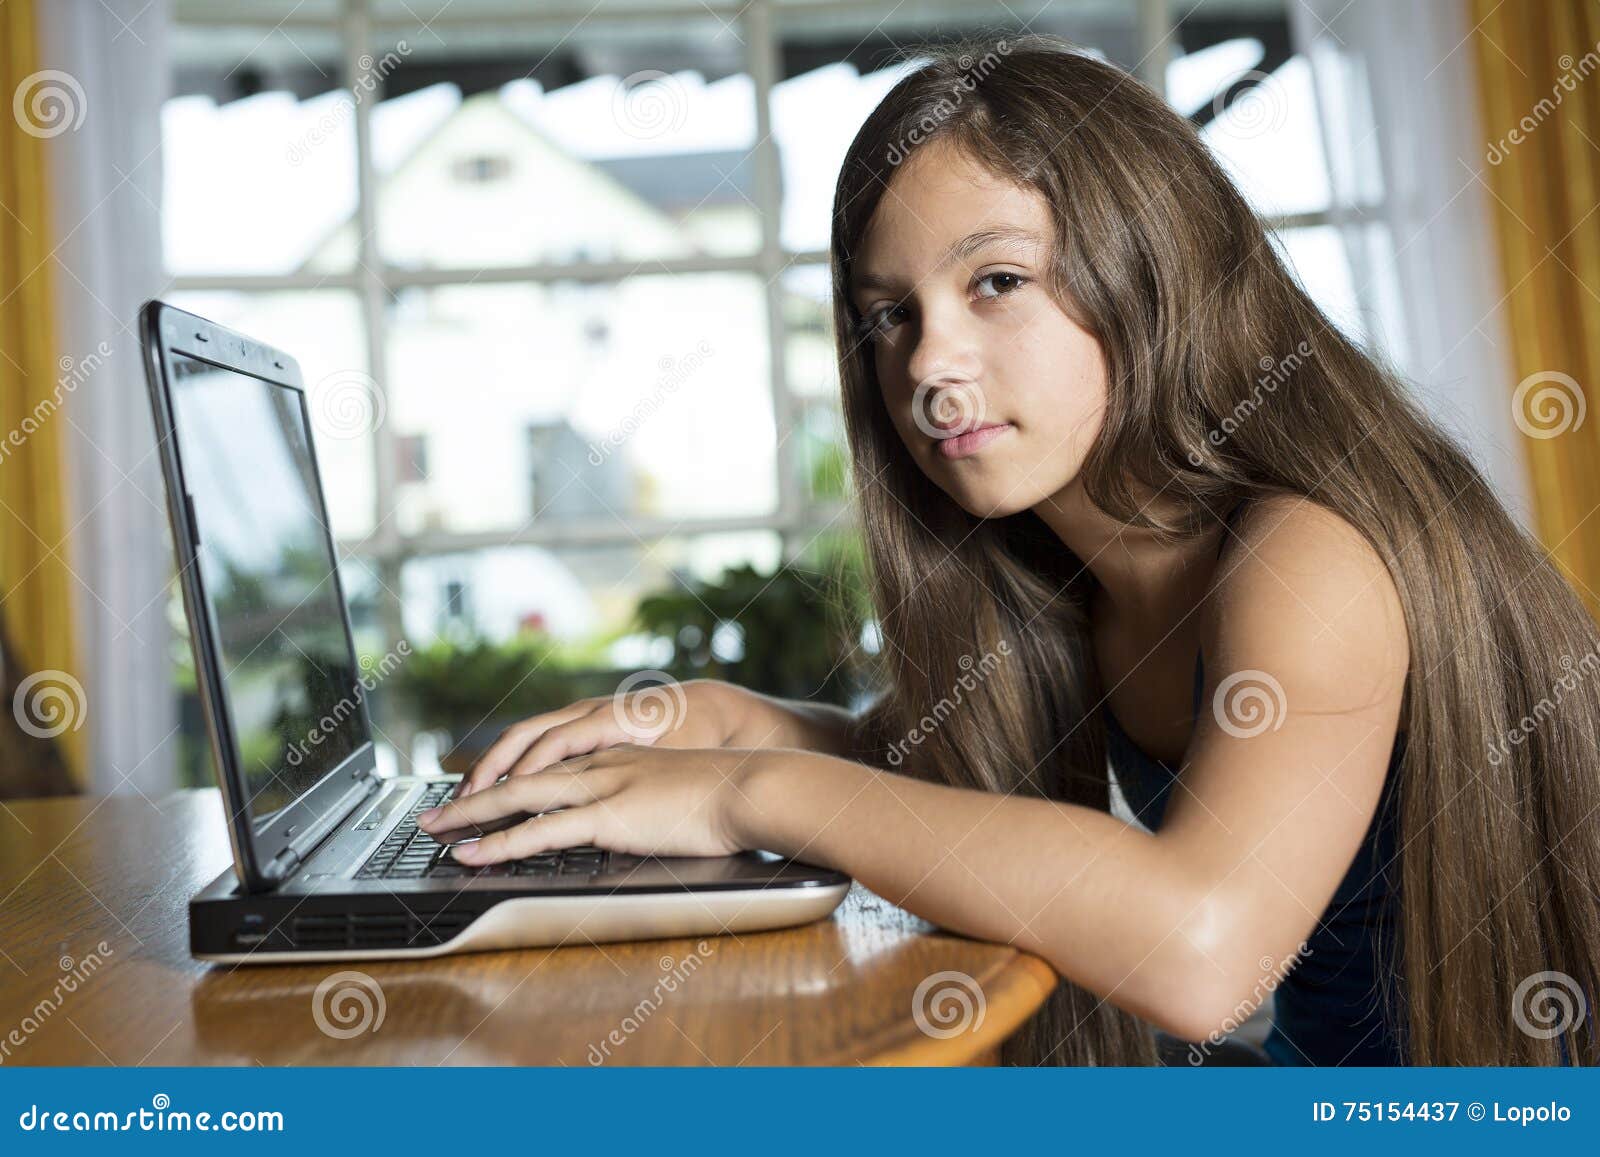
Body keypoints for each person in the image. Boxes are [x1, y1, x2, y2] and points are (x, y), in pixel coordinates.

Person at [419, 35, 1599, 1067]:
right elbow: (947, 789)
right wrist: (735, 723)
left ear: (1150, 271)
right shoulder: (1073, 574)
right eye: (889, 314)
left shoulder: (1309, 558)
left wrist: (746, 791)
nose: (928, 365)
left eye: (996, 281)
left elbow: (1204, 950)